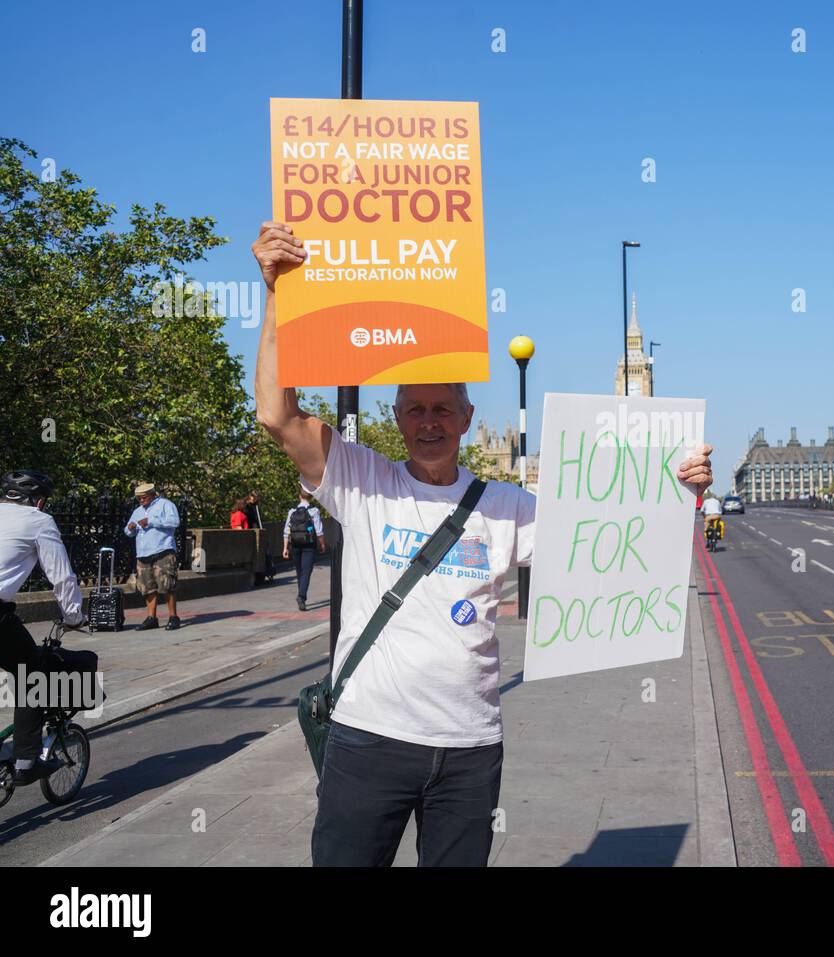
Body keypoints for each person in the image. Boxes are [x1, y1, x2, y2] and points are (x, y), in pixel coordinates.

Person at [250, 220, 714, 867]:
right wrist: (276, 291)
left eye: (444, 408)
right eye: (415, 408)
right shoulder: (362, 480)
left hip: (469, 751)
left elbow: (608, 539)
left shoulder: (505, 504)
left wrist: (678, 486)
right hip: (368, 741)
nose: (429, 422)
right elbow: (278, 414)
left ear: (468, 418)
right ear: (396, 418)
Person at [0, 470, 85, 785]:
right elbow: (61, 576)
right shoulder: (39, 521)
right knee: (31, 673)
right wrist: (74, 616)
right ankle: (25, 761)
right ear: (37, 500)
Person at [124, 482, 182, 630]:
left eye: (143, 498)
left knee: (167, 584)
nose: (141, 501)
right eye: (139, 499)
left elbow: (174, 522)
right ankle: (151, 618)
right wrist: (130, 528)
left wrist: (151, 521)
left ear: (152, 494)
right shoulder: (137, 511)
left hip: (162, 549)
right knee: (147, 587)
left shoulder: (165, 504)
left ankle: (173, 616)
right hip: (143, 553)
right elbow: (128, 531)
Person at [283, 487, 326, 612]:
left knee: (299, 571)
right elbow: (319, 530)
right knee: (306, 571)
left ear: (299, 496)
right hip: (309, 545)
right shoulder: (314, 511)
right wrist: (322, 544)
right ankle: (301, 596)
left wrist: (285, 548)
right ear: (311, 497)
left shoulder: (292, 511)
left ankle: (301, 594)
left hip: (295, 544)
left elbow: (286, 531)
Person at [244, 491, 275, 584]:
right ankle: (263, 574)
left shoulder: (256, 506)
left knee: (265, 553)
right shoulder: (247, 507)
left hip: (258, 530)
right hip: (252, 531)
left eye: (256, 497)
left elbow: (258, 520)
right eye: (253, 497)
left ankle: (268, 572)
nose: (254, 499)